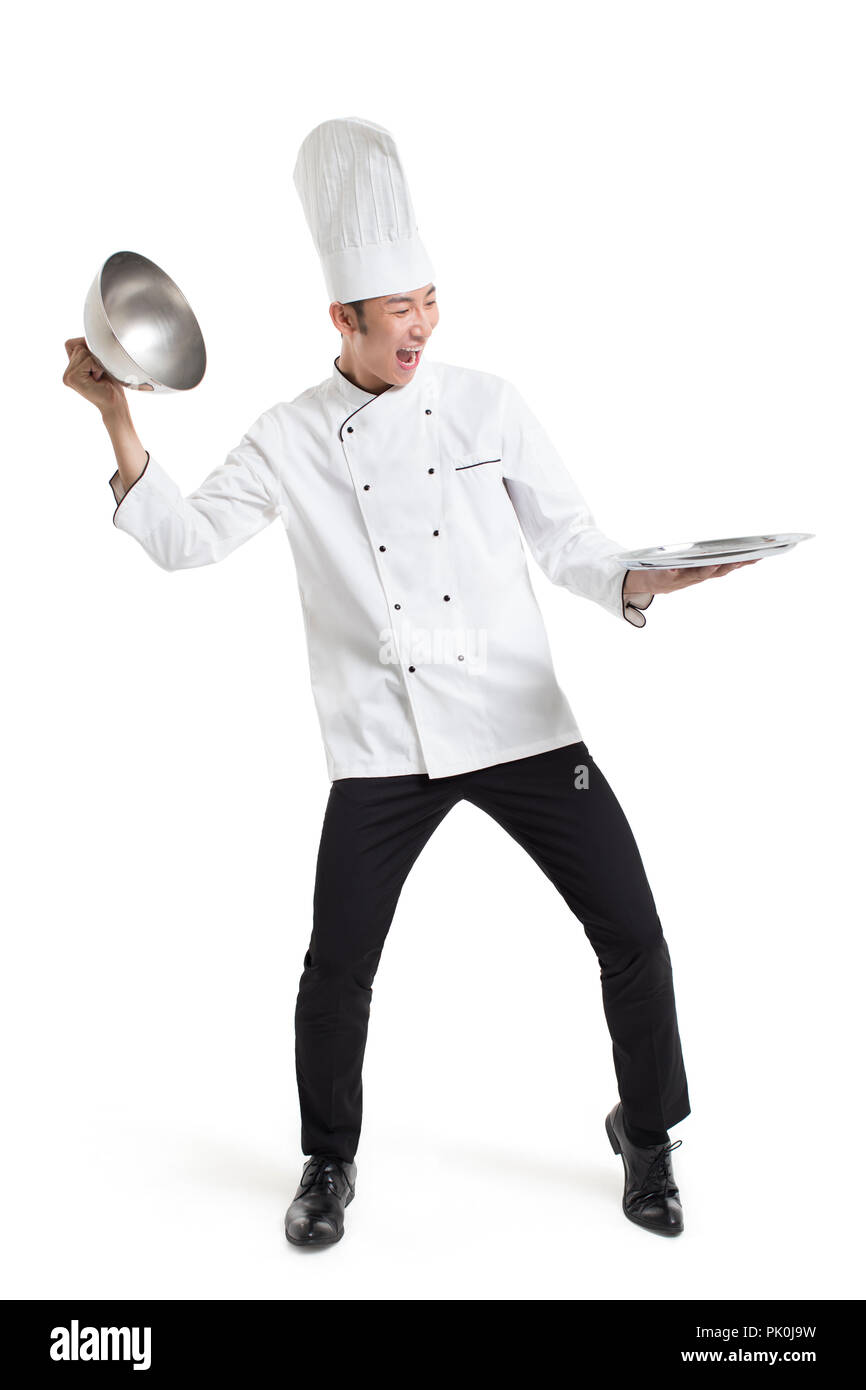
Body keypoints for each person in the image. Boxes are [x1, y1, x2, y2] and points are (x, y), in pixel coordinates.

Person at [63, 117, 758, 1248]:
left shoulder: (488, 402)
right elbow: (184, 541)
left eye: (430, 298)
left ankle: (644, 1135)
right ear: (341, 317)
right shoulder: (290, 436)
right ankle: (326, 1163)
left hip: (521, 720)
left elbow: (573, 543)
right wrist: (115, 410)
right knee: (337, 963)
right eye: (400, 309)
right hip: (384, 742)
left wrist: (644, 578)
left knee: (630, 928)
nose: (423, 325)